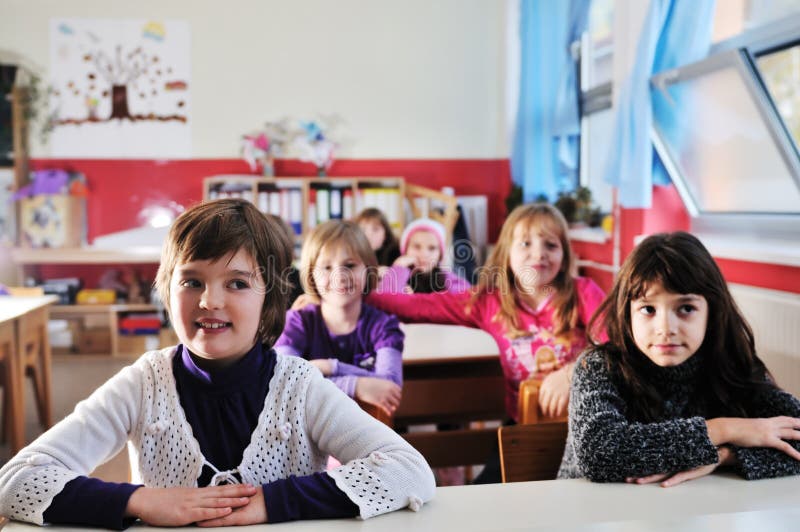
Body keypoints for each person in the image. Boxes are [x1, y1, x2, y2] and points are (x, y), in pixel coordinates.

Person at [0, 199, 435, 528]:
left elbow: (409, 471)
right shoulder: (142, 384)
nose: (210, 301)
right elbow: (15, 479)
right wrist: (138, 501)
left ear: (271, 299)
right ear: (166, 290)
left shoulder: (299, 386)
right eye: (191, 280)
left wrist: (271, 502)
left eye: (237, 283)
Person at [367, 203, 605, 482]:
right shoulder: (489, 302)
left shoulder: (583, 292)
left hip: (587, 424)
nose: (539, 253)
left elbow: (615, 342)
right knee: (486, 494)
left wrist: (571, 373)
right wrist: (341, 295)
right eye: (526, 243)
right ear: (506, 252)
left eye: (550, 245)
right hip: (523, 425)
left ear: (564, 255)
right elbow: (417, 306)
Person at [558, 231, 800, 486]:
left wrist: (726, 456)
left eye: (685, 309)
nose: (666, 328)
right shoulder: (598, 366)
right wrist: (725, 429)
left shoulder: (731, 365)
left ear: (712, 312)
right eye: (648, 309)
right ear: (627, 314)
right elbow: (600, 453)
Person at [275, 220, 404, 418]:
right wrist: (355, 385)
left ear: (369, 269)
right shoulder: (296, 322)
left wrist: (328, 367)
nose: (339, 276)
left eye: (350, 265)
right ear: (311, 275)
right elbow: (283, 383)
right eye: (326, 267)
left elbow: (390, 387)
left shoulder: (384, 326)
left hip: (370, 440)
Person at [376, 218, 471, 294]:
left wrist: (413, 302)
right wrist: (398, 268)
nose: (424, 254)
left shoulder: (448, 279)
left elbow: (466, 298)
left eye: (432, 248)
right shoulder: (396, 274)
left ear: (440, 255)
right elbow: (385, 300)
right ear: (405, 250)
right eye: (417, 247)